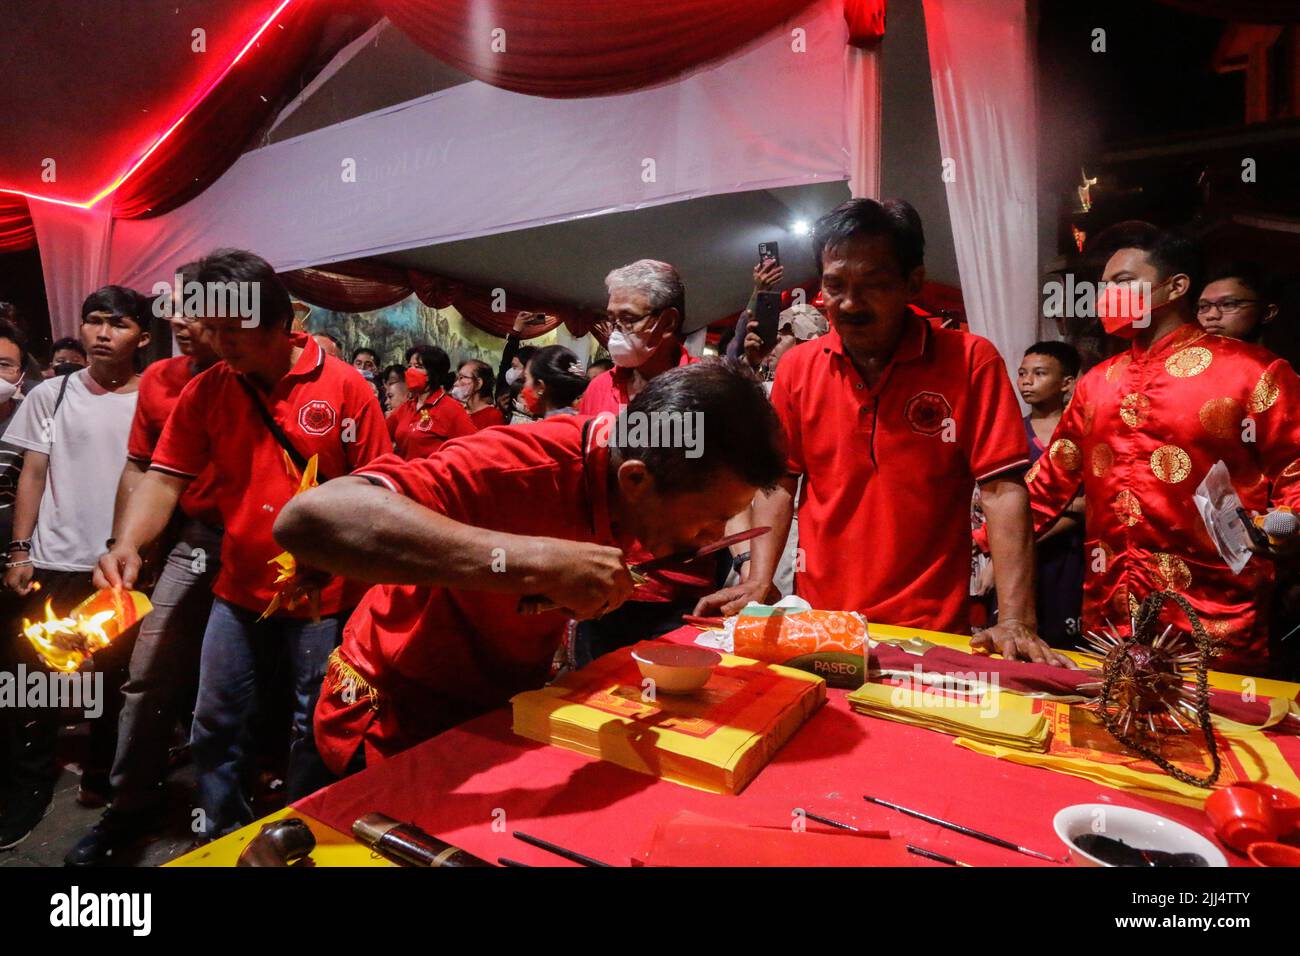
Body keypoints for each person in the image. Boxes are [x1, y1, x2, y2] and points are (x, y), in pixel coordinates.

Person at [271, 361, 787, 776]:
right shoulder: (517, 463)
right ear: (636, 482)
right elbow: (311, 521)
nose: (714, 540)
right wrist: (539, 560)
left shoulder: (639, 469)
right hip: (391, 719)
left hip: (490, 714)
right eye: (711, 521)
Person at [697, 198, 1071, 667]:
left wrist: (1017, 618)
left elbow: (1002, 492)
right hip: (821, 617)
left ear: (912, 282)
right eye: (834, 285)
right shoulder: (797, 368)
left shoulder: (972, 360)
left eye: (872, 284)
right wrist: (759, 576)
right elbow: (779, 482)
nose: (849, 304)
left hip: (929, 624)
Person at [94, 249, 391, 839]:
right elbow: (164, 476)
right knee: (215, 719)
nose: (222, 344)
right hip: (237, 588)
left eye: (236, 332)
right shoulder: (209, 391)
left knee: (313, 724)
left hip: (321, 598)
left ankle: (303, 833)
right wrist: (127, 542)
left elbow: (382, 487)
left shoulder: (344, 387)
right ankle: (219, 831)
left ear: (283, 324)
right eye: (214, 329)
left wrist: (335, 558)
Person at [1027, 222, 1300, 676]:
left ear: (1175, 287)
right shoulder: (1097, 383)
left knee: (1222, 739)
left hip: (1216, 612)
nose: (1106, 297)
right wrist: (976, 543)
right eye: (1103, 286)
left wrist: (1283, 530)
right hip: (1111, 613)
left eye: (1122, 283)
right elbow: (1046, 485)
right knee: (1107, 738)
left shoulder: (1253, 372)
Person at [65, 264, 226, 865]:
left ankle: (234, 812)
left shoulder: (262, 377)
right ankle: (127, 807)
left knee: (241, 688)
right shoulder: (161, 378)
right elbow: (144, 469)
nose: (179, 320)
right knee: (148, 674)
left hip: (274, 553)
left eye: (195, 308)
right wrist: (122, 542)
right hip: (191, 541)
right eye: (173, 308)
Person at [1, 286, 151, 850]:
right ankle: (29, 789)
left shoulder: (155, 400)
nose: (102, 333)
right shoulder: (53, 394)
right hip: (53, 562)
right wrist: (21, 550)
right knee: (32, 684)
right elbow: (33, 473)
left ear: (143, 336)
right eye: (92, 321)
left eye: (117, 323)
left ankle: (102, 776)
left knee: (116, 682)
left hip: (120, 568)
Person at [574, 260, 720, 662]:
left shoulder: (707, 391)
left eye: (629, 319)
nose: (616, 333)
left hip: (679, 593)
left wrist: (747, 565)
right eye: (611, 320)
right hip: (603, 587)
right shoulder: (600, 388)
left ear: (668, 320)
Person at [1011, 341, 1085, 646]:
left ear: (1067, 383)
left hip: (1069, 554)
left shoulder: (1082, 434)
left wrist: (1023, 537)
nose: (1027, 381)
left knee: (1065, 643)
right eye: (1022, 373)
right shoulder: (1011, 431)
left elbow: (1088, 504)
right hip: (1016, 555)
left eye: (1039, 373)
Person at [388, 345, 475, 459]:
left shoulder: (451, 408)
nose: (410, 371)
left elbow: (471, 448)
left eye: (418, 366)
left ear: (432, 373)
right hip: (404, 474)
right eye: (409, 366)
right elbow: (380, 432)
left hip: (431, 475)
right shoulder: (406, 407)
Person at [1196, 261, 1278, 344]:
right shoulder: (1186, 355)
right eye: (1203, 306)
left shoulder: (1270, 357)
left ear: (1267, 313)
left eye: (1227, 304)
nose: (1211, 315)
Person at [520, 346, 588, 419]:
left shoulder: (528, 430)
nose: (523, 388)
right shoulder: (589, 426)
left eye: (526, 378)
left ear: (541, 387)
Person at [454, 359, 505, 429]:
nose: (455, 384)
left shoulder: (493, 416)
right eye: (457, 378)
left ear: (478, 383)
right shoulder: (457, 411)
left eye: (461, 378)